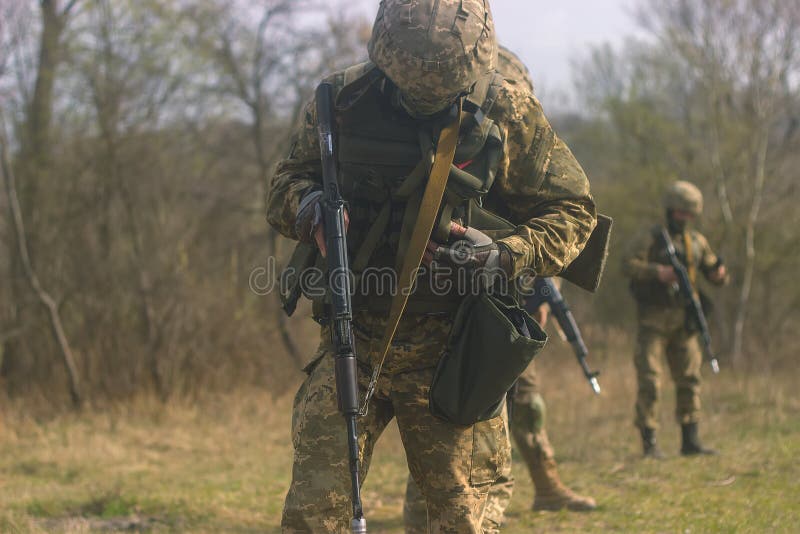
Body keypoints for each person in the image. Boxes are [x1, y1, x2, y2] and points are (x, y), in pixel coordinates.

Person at [267, 1, 597, 530]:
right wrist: (309, 210)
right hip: (355, 342)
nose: (423, 96)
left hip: (454, 351)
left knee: (462, 520)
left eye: (440, 87)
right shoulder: (341, 101)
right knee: (313, 514)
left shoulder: (506, 111)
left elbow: (574, 210)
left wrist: (507, 254)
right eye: (408, 84)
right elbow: (285, 182)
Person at [402, 47, 596, 534]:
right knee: (451, 434)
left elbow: (556, 221)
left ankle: (546, 484)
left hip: (511, 300)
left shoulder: (522, 157)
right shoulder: (454, 159)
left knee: (518, 405)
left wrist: (536, 290)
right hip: (456, 308)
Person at [623, 180, 728, 458]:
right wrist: (657, 272)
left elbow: (714, 270)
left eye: (690, 214)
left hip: (685, 322)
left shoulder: (696, 242)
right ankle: (650, 443)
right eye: (682, 213)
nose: (686, 219)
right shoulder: (651, 238)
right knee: (650, 380)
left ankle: (690, 440)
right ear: (670, 210)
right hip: (653, 321)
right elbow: (628, 265)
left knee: (690, 378)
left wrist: (720, 275)